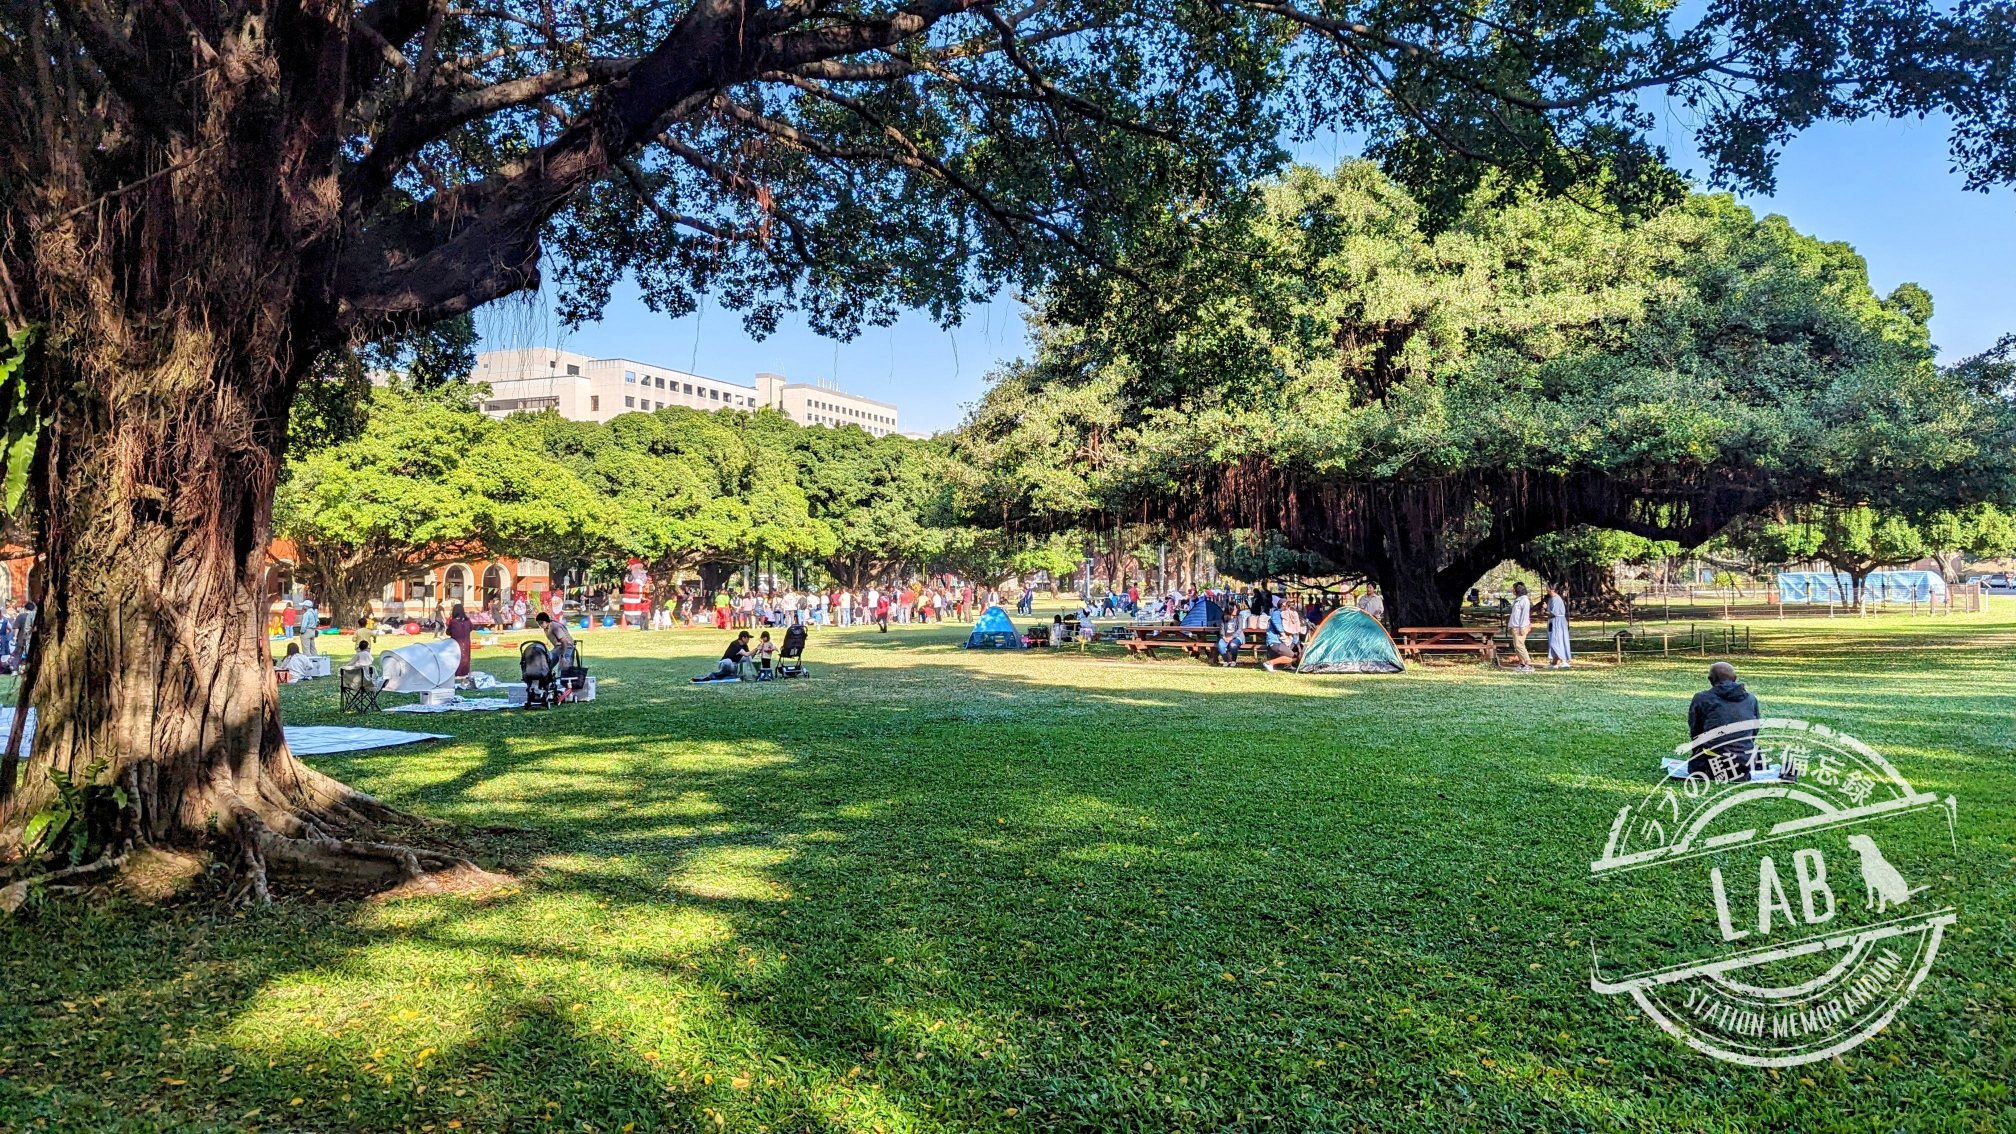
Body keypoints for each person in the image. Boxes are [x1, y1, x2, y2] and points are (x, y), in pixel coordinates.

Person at [1688, 662, 1763, 779]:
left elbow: (1696, 732)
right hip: (1744, 764)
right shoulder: (1751, 699)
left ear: (1710, 680)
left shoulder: (1702, 698)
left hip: (1712, 766)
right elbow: (1754, 731)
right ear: (1735, 678)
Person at [1506, 582, 1533, 673]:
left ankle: (1528, 663)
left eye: (1513, 589)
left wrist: (1522, 627)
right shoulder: (1517, 599)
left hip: (1520, 626)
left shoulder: (1524, 600)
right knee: (1516, 646)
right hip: (1514, 626)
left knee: (1519, 645)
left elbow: (1525, 615)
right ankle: (1522, 664)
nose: (1512, 590)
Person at [1545, 583, 1573, 669]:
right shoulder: (1551, 599)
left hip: (1558, 622)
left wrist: (1546, 609)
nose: (1546, 589)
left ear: (1552, 589)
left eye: (1547, 587)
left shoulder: (1556, 599)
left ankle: (1564, 661)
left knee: (1558, 640)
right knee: (1552, 640)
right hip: (1552, 622)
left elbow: (1554, 613)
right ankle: (1554, 662)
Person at [446, 602, 474, 678]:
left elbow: (448, 632)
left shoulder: (453, 621)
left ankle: (457, 673)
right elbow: (471, 628)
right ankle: (465, 672)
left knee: (457, 657)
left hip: (456, 642)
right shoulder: (468, 621)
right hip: (466, 642)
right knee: (466, 657)